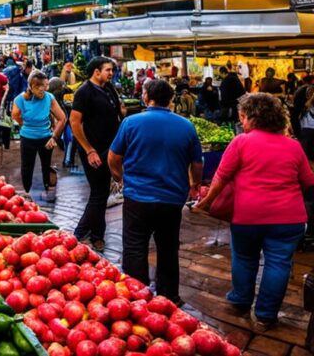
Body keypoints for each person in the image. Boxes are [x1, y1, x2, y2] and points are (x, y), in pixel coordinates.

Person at [195, 93, 314, 331]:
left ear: (249, 117)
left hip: (248, 216)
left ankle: (240, 299)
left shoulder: (241, 142)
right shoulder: (293, 146)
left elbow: (221, 177)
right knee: (279, 264)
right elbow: (308, 181)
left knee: (245, 258)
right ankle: (266, 314)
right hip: (289, 218)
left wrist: (206, 203)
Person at [108, 79, 202, 303]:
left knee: (134, 246)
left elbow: (113, 157)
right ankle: (169, 296)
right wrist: (194, 185)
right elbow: (197, 164)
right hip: (171, 199)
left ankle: (136, 295)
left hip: (137, 197)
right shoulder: (186, 126)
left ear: (146, 96)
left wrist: (121, 178)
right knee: (168, 248)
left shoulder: (131, 123)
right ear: (171, 99)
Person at [70, 56, 125, 251]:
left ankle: (80, 232)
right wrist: (89, 150)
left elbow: (118, 112)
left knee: (100, 193)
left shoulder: (108, 88)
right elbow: (74, 122)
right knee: (99, 193)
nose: (111, 73)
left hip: (110, 149)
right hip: (93, 150)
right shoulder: (84, 92)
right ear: (97, 71)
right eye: (108, 70)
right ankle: (95, 236)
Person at [12, 71, 67, 202]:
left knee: (46, 165)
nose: (43, 89)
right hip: (27, 138)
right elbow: (15, 115)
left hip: (46, 138)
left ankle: (48, 191)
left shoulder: (49, 98)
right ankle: (26, 194)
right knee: (27, 166)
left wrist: (54, 137)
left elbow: (62, 118)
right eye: (38, 86)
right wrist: (26, 126)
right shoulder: (20, 99)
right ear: (30, 86)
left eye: (45, 85)